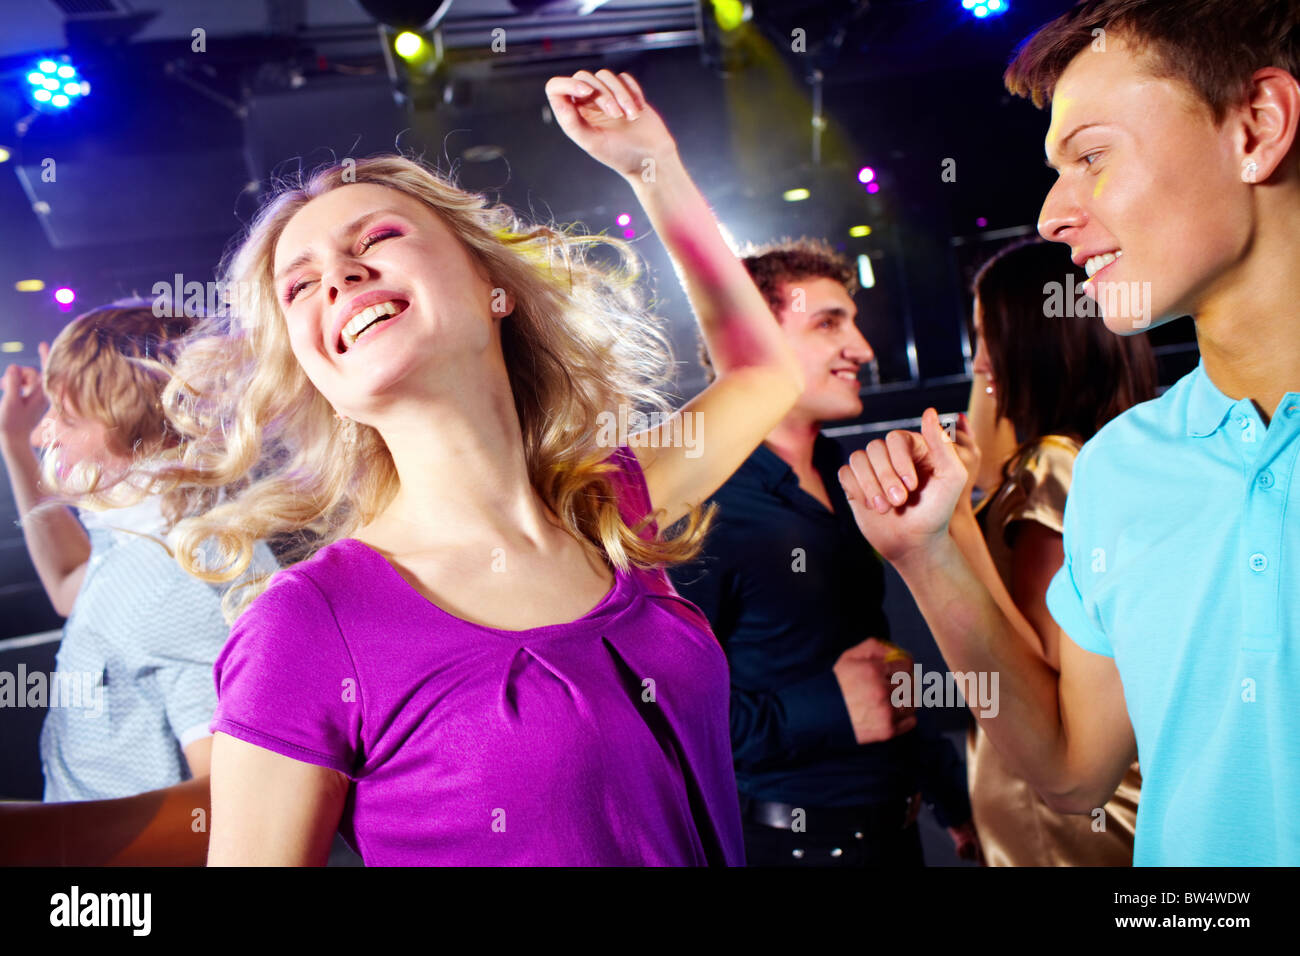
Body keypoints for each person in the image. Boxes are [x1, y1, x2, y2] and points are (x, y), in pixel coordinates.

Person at [148, 69, 804, 865]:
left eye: (377, 239)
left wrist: (650, 165)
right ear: (317, 372)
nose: (340, 278)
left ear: (493, 286)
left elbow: (764, 373)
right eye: (301, 286)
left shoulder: (606, 509)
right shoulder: (307, 626)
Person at [836, 0, 1300, 865]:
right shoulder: (1121, 469)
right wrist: (926, 552)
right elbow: (1072, 770)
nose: (1052, 215)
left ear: (1256, 128)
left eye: (1092, 156)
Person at [668, 238, 978, 867]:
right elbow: (659, 718)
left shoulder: (848, 475)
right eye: (828, 323)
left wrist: (954, 800)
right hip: (789, 849)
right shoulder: (697, 505)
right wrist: (823, 711)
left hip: (900, 832)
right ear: (748, 344)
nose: (862, 349)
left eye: (854, 323)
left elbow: (873, 663)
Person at [0, 300, 275, 864]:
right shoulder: (137, 529)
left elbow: (237, 810)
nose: (45, 434)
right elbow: (68, 586)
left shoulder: (193, 575)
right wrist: (13, 439)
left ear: (141, 431)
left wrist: (27, 844)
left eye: (67, 417)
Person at [949, 238, 1155, 865]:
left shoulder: (1051, 467)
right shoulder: (1092, 455)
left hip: (1067, 827)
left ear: (1031, 342)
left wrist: (952, 525)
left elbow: (1042, 665)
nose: (981, 362)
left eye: (988, 334)